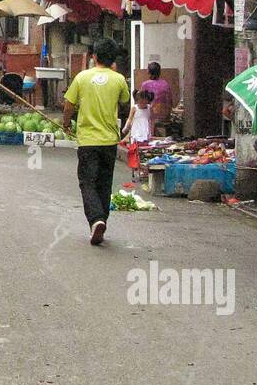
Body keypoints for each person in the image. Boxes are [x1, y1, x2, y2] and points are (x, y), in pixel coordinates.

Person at [62, 39, 130, 246]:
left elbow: (68, 104)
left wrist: (66, 125)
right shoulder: (119, 80)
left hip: (87, 141)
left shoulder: (82, 77)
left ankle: (96, 219)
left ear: (94, 57)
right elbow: (126, 105)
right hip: (109, 141)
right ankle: (101, 221)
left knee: (87, 182)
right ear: (113, 60)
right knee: (104, 183)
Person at [121, 88, 155, 181]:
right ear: (137, 100)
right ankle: (138, 169)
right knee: (136, 152)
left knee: (146, 152)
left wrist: (151, 132)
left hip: (145, 132)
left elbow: (152, 120)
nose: (142, 102)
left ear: (147, 99)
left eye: (144, 100)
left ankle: (145, 170)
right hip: (136, 132)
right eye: (140, 100)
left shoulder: (149, 108)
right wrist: (126, 128)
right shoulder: (134, 108)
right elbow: (130, 119)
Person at [140, 60, 174, 129]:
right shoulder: (165, 84)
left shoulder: (145, 85)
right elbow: (170, 102)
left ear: (149, 72)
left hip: (150, 117)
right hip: (164, 117)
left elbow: (141, 103)